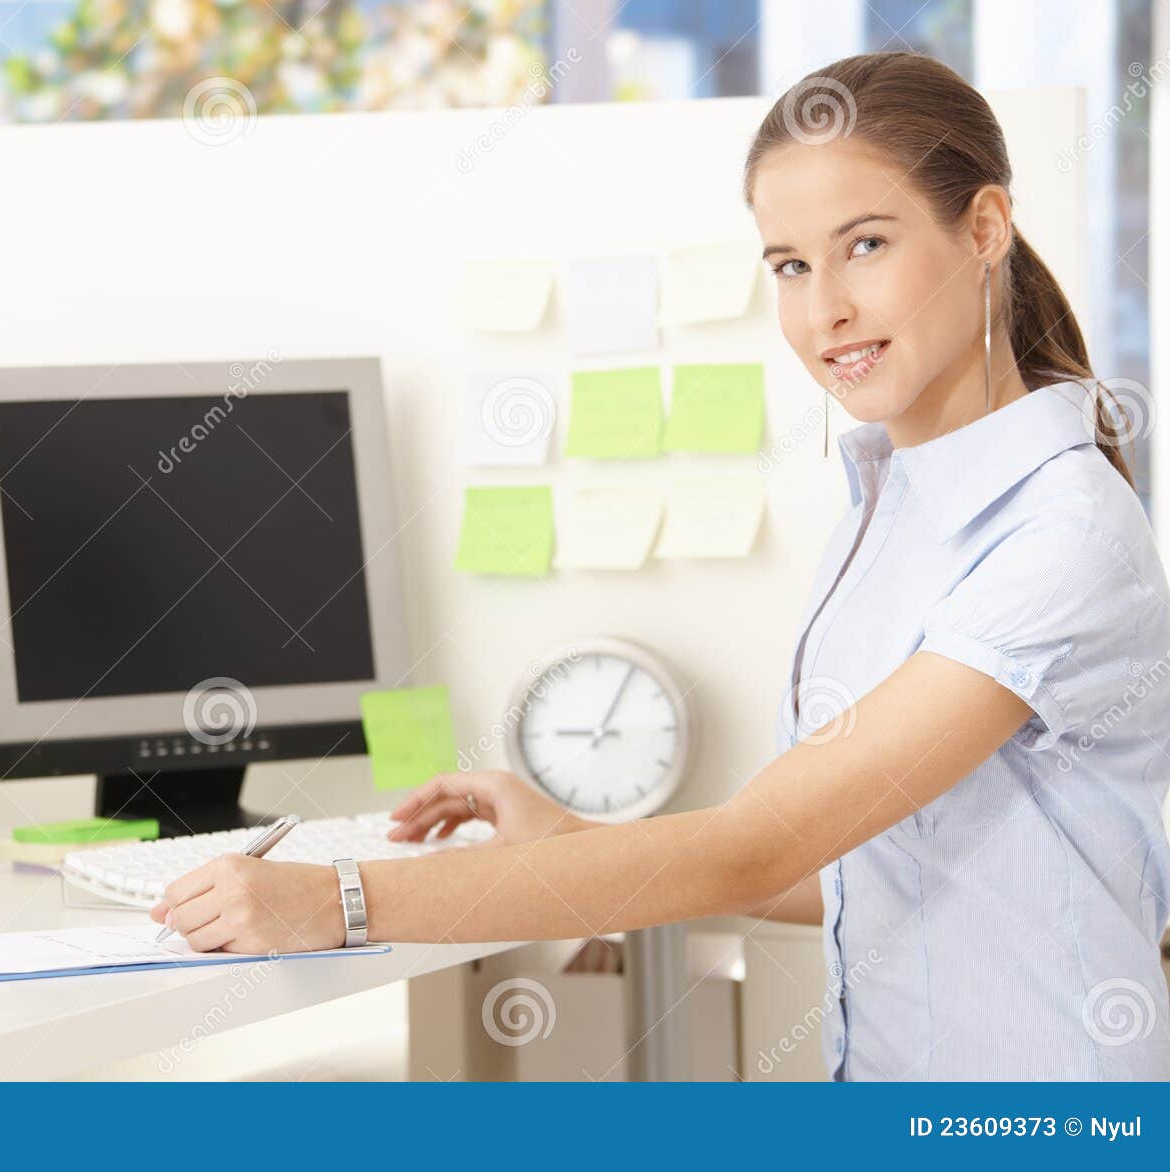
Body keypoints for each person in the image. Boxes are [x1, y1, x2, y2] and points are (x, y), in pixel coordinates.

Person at [150, 51, 1170, 1081]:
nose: (825, 311)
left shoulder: (1061, 533)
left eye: (865, 244)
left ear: (984, 228)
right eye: (788, 265)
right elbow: (859, 866)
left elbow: (757, 844)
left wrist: (341, 899)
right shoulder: (886, 501)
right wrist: (567, 835)